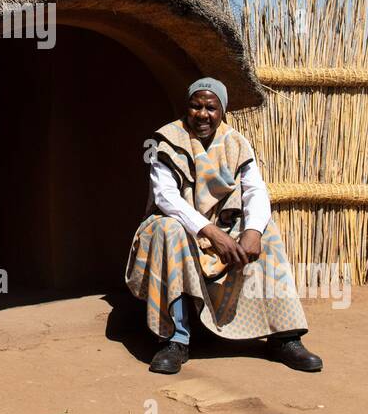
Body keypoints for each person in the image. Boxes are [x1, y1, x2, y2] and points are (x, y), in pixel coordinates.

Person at [125, 77, 323, 375]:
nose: (202, 114)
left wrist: (252, 232)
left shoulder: (236, 143)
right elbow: (167, 198)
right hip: (181, 225)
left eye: (210, 108)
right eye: (195, 106)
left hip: (221, 225)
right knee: (169, 231)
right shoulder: (165, 141)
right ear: (186, 107)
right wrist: (208, 231)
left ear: (222, 111)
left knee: (266, 232)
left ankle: (284, 337)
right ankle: (174, 340)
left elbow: (256, 191)